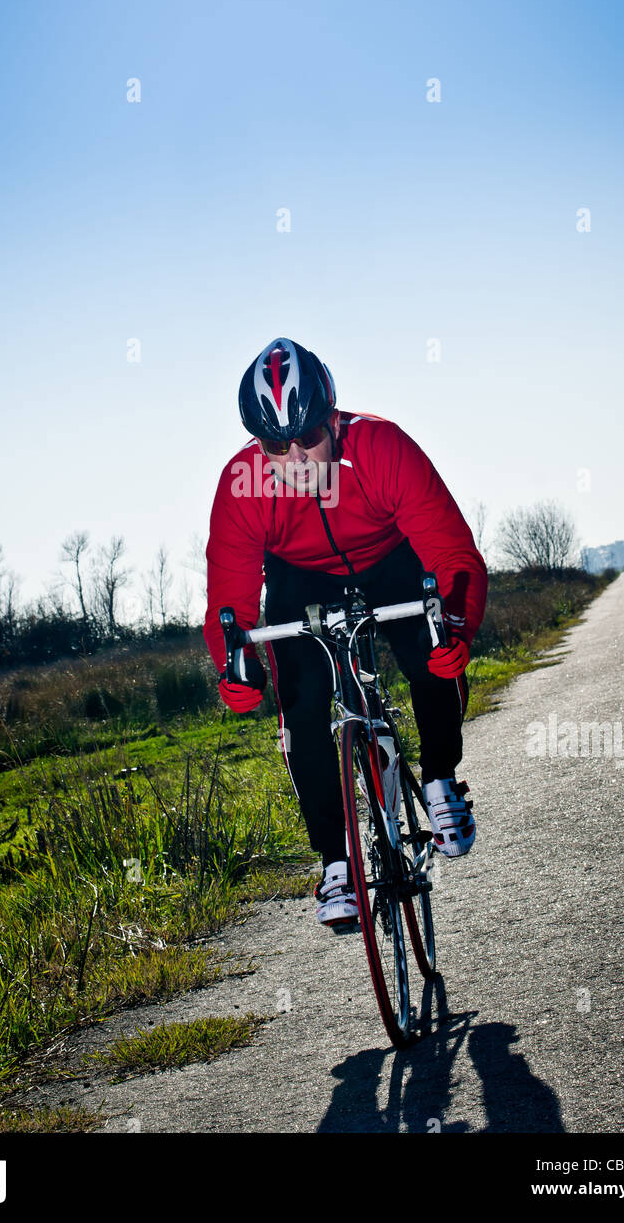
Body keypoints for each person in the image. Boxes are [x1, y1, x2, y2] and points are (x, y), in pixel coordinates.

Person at [203, 337, 488, 926]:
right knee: (302, 705)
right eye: (278, 445)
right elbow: (230, 601)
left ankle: (440, 782)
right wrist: (236, 665)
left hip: (390, 555)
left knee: (430, 647)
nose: (297, 459)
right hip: (300, 576)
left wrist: (457, 624)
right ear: (260, 444)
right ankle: (337, 862)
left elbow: (451, 552)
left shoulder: (382, 446)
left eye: (308, 438)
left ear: (333, 418)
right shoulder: (241, 483)